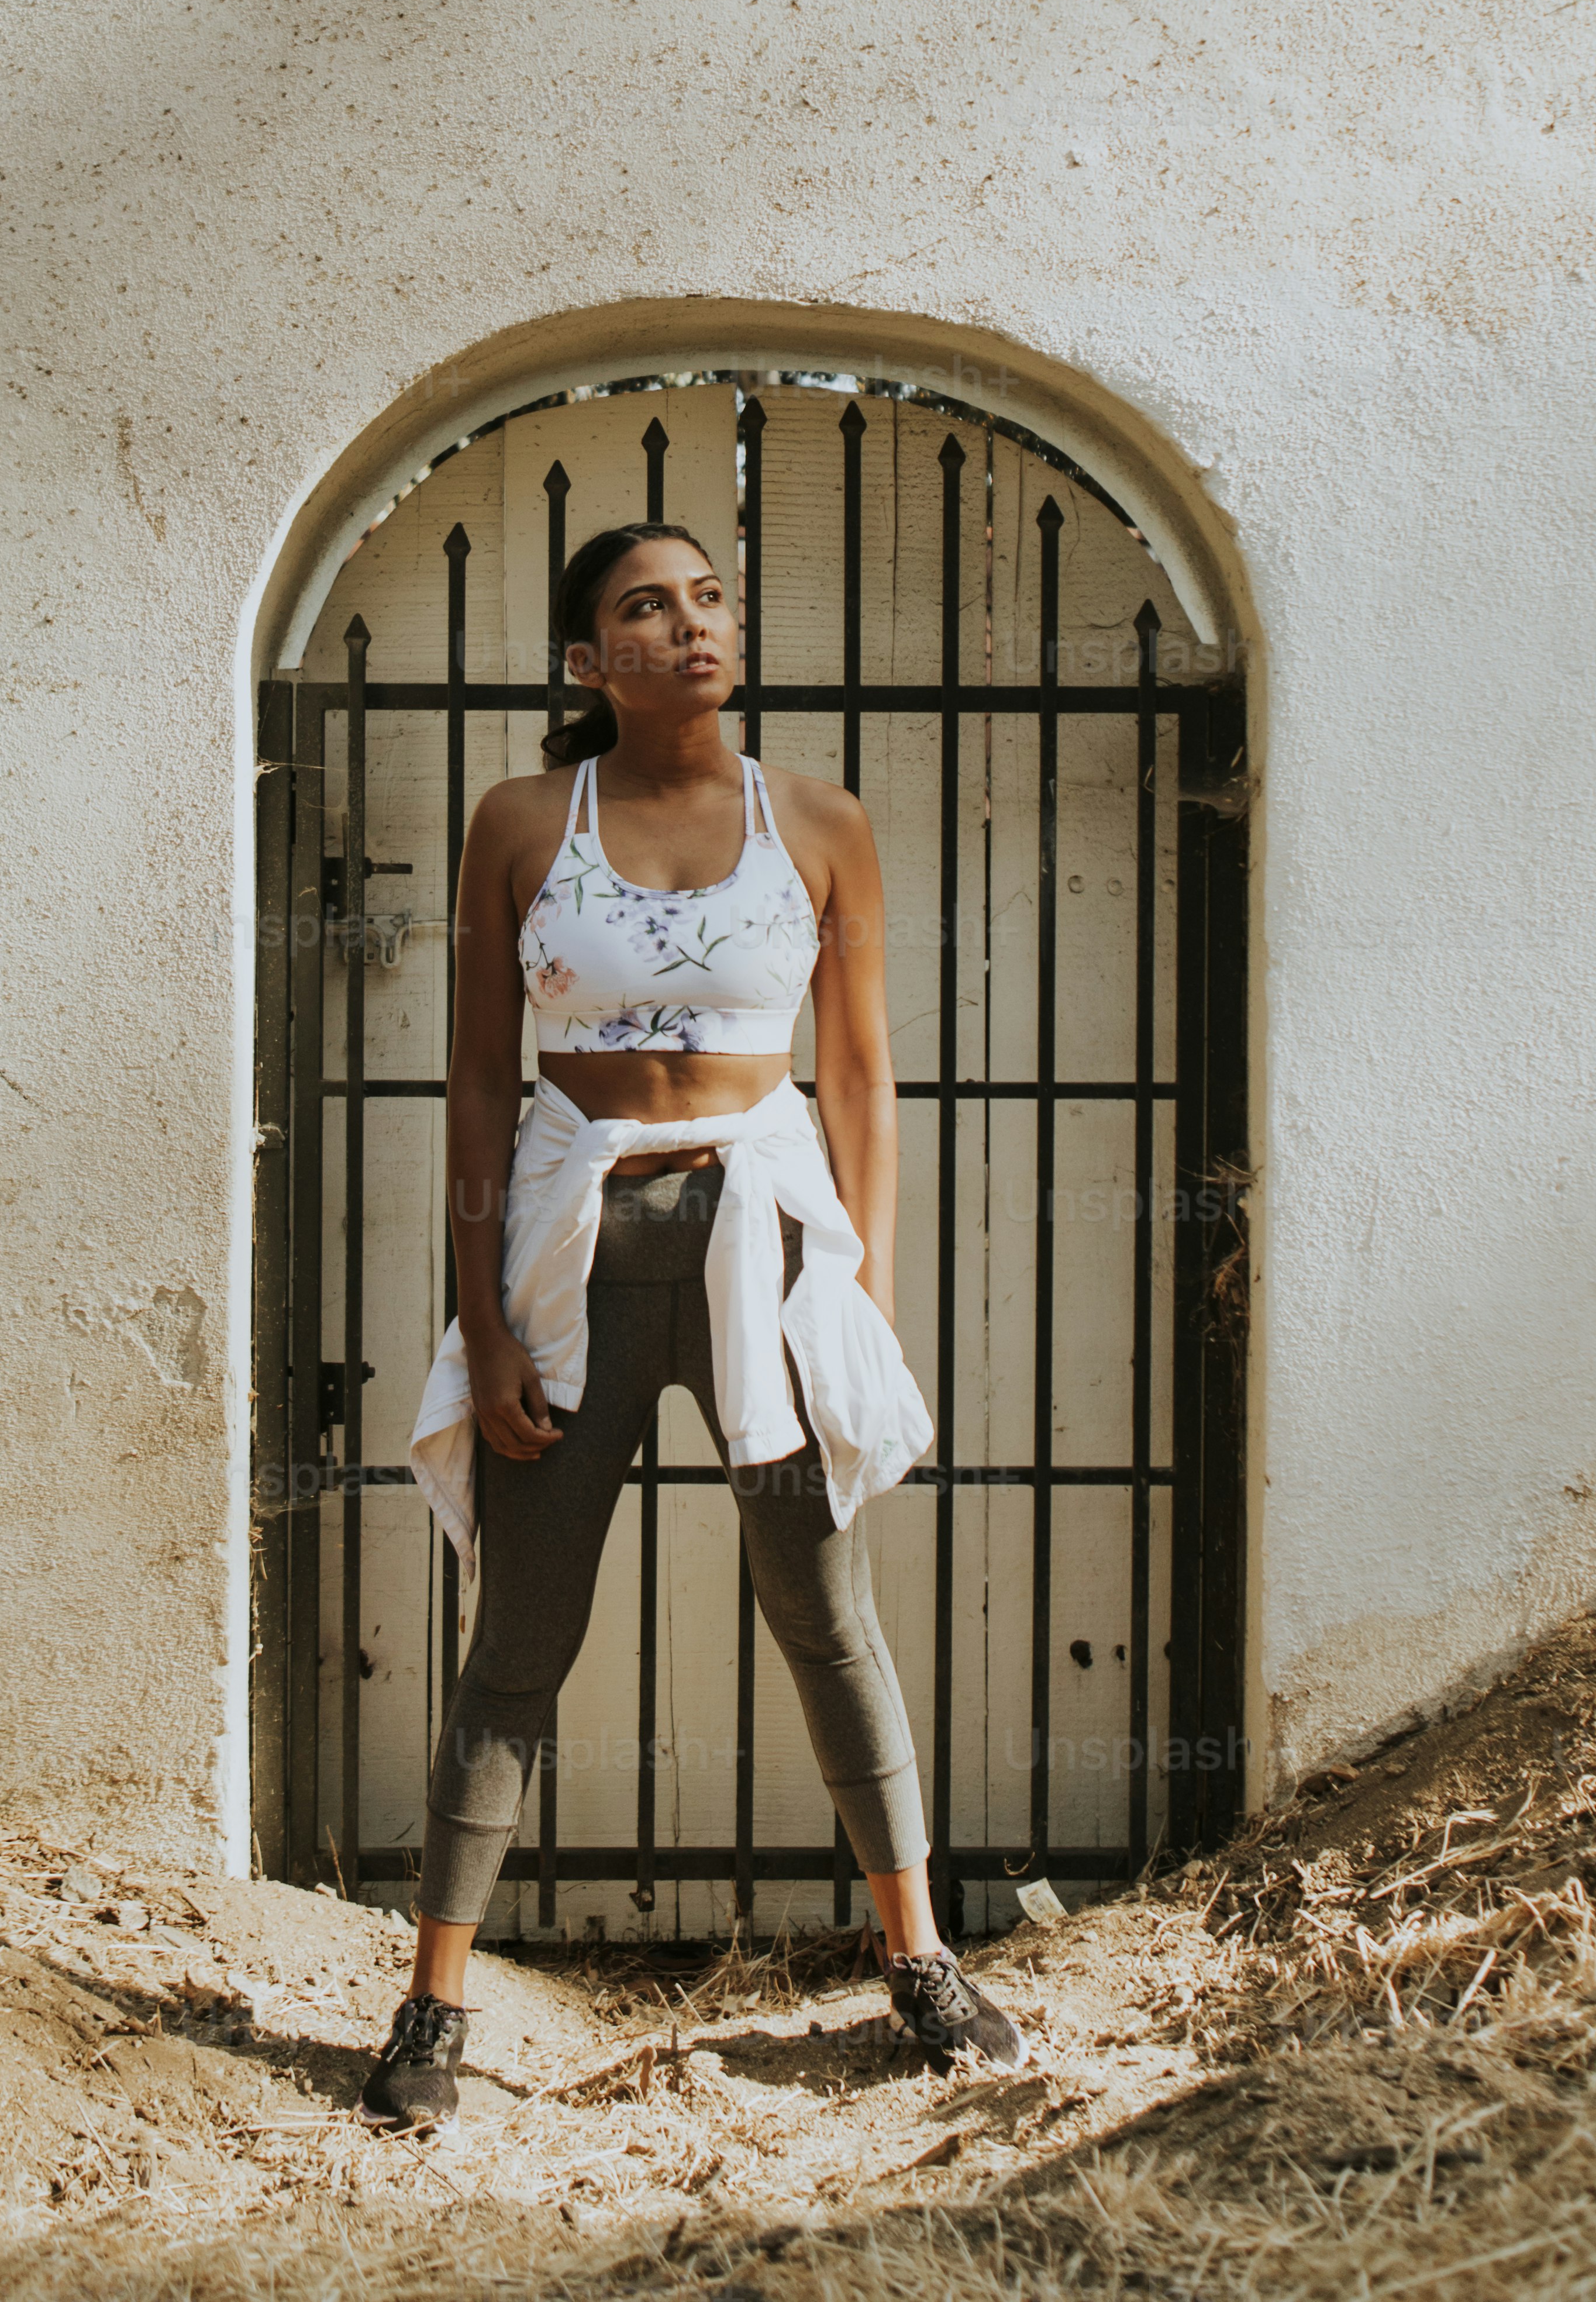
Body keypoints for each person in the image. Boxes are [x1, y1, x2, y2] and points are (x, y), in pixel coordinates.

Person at [356, 516, 1022, 2129]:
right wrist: (483, 1327)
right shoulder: (523, 819)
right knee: (519, 1637)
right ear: (588, 659)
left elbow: (857, 1071)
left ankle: (916, 1960)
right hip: (571, 1246)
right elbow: (472, 1081)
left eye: (709, 597)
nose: (690, 624)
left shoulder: (819, 819)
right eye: (646, 608)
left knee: (823, 1611)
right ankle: (433, 2005)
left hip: (765, 1246)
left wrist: (858, 1296)